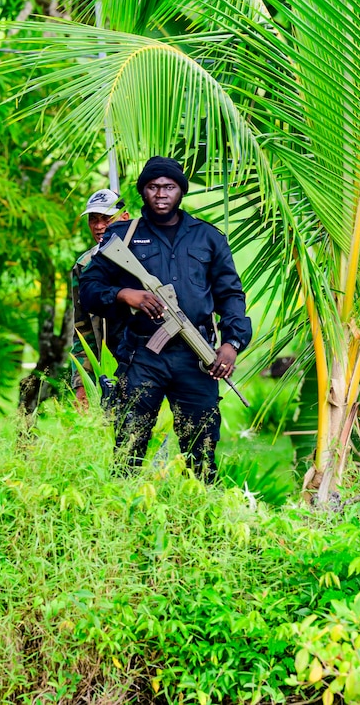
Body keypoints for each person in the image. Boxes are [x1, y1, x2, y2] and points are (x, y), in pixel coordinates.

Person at [79, 157, 251, 482]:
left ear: (180, 192)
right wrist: (125, 295)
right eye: (153, 187)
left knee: (200, 452)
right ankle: (122, 517)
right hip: (142, 354)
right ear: (143, 192)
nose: (161, 194)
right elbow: (89, 289)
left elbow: (231, 295)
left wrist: (231, 345)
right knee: (129, 447)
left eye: (169, 187)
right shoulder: (121, 237)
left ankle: (199, 520)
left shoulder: (208, 238)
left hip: (196, 357)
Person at [70, 188, 129, 408]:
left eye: (106, 218)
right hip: (107, 366)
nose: (98, 226)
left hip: (148, 364)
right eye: (93, 220)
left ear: (124, 217)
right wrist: (81, 383)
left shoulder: (146, 254)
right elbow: (81, 328)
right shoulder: (84, 265)